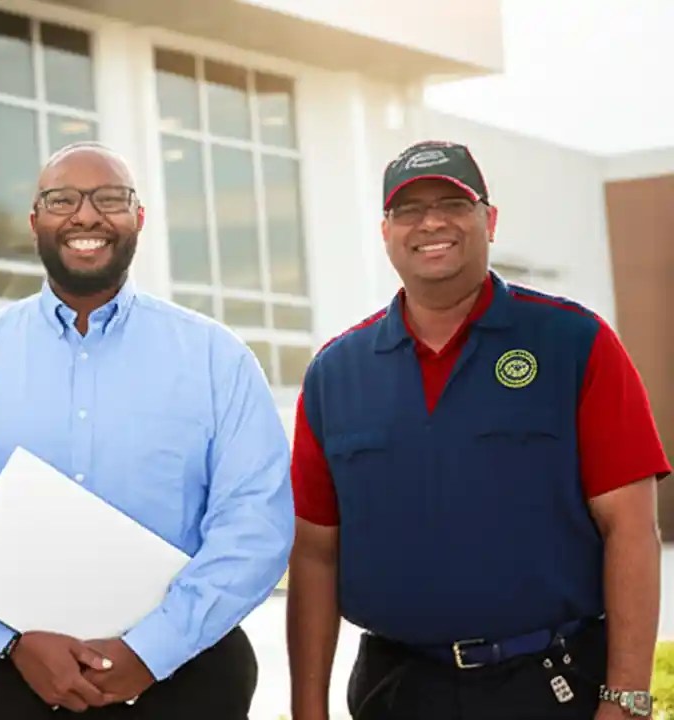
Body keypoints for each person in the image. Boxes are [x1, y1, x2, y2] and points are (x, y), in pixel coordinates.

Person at [0, 141, 293, 720]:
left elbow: (256, 523)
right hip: (15, 676)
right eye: (62, 199)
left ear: (139, 219)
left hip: (189, 678)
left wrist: (151, 651)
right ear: (35, 221)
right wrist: (12, 635)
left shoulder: (215, 359)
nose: (85, 216)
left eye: (109, 198)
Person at [287, 140, 670, 720]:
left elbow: (632, 529)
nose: (432, 222)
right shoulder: (335, 373)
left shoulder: (576, 343)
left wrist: (627, 699)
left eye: (453, 203)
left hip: (552, 682)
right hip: (396, 691)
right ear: (386, 230)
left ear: (488, 220)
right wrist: (306, 709)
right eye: (410, 210)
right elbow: (315, 556)